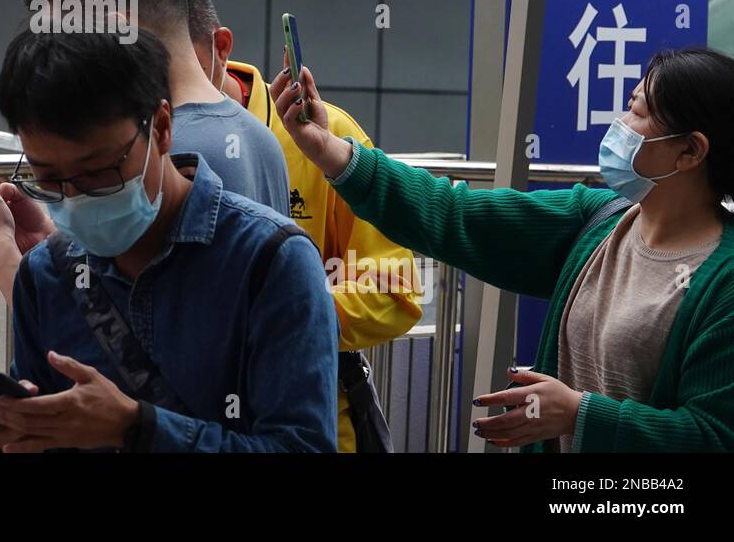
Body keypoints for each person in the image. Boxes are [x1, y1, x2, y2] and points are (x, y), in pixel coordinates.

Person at [271, 47, 734, 452]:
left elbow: (714, 436)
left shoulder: (724, 282)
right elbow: (454, 214)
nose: (621, 125)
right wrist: (330, 151)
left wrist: (580, 415)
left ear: (690, 152)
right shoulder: (599, 223)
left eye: (638, 113)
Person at [0, 23, 336, 452]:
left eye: (99, 171)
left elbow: (303, 446)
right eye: (49, 179)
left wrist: (138, 427)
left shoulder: (272, 261)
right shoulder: (45, 274)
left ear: (162, 127)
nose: (75, 197)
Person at [0, 0, 291, 304]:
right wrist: (51, 241)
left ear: (118, 29)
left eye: (65, 41)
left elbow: (112, 342)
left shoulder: (162, 155)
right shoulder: (255, 132)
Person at [171, 0, 421, 453]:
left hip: (313, 426)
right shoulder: (139, 143)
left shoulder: (324, 139)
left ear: (221, 47)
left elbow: (397, 290)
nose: (162, 87)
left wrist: (291, 313)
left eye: (175, 62)